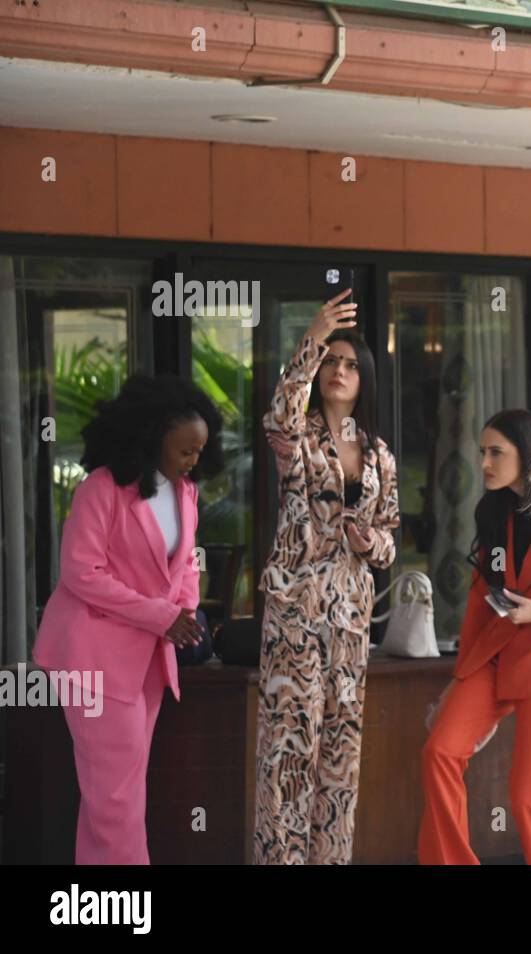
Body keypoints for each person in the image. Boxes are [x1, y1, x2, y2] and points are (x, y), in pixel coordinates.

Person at [33, 374, 224, 864]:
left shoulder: (185, 494)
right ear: (152, 438)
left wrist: (185, 607)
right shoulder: (101, 489)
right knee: (114, 799)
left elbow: (185, 563)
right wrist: (164, 616)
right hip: (93, 659)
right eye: (186, 450)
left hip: (147, 662)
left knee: (115, 795)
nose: (194, 460)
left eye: (200, 450)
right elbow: (81, 573)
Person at [255, 290, 400, 865]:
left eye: (348, 364)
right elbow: (277, 413)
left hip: (350, 622)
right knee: (289, 757)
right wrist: (313, 337)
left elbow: (390, 541)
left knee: (340, 760)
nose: (338, 371)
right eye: (330, 362)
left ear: (363, 379)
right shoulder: (297, 438)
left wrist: (372, 542)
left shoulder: (379, 455)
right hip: (296, 615)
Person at [419, 409, 531, 865]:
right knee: (439, 752)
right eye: (482, 452)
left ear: (525, 454)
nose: (483, 462)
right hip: (495, 653)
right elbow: (478, 602)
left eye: (495, 452)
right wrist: (459, 677)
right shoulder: (493, 511)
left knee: (527, 793)